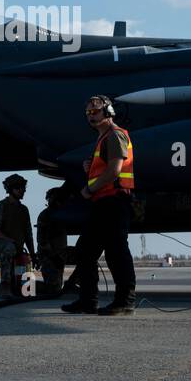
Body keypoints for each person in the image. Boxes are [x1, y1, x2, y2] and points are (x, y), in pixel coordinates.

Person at [62, 95, 137, 316]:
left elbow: (114, 171)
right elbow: (107, 168)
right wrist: (91, 168)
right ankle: (87, 301)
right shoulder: (103, 138)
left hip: (113, 201)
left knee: (116, 252)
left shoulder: (115, 135)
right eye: (88, 113)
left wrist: (89, 189)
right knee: (85, 252)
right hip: (103, 203)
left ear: (109, 112)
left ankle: (125, 301)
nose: (91, 116)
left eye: (95, 111)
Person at [0, 174, 35, 298]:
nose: (23, 190)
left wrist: (33, 254)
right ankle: (5, 286)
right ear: (11, 189)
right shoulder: (0, 206)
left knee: (21, 288)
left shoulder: (24, 210)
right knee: (9, 248)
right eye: (19, 188)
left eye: (23, 188)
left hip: (16, 247)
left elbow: (28, 234)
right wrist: (11, 241)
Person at [36, 187, 72, 296]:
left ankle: (73, 283)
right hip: (49, 257)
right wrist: (54, 256)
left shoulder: (62, 215)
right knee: (53, 290)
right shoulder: (46, 216)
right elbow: (42, 241)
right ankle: (27, 286)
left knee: (86, 256)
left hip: (60, 255)